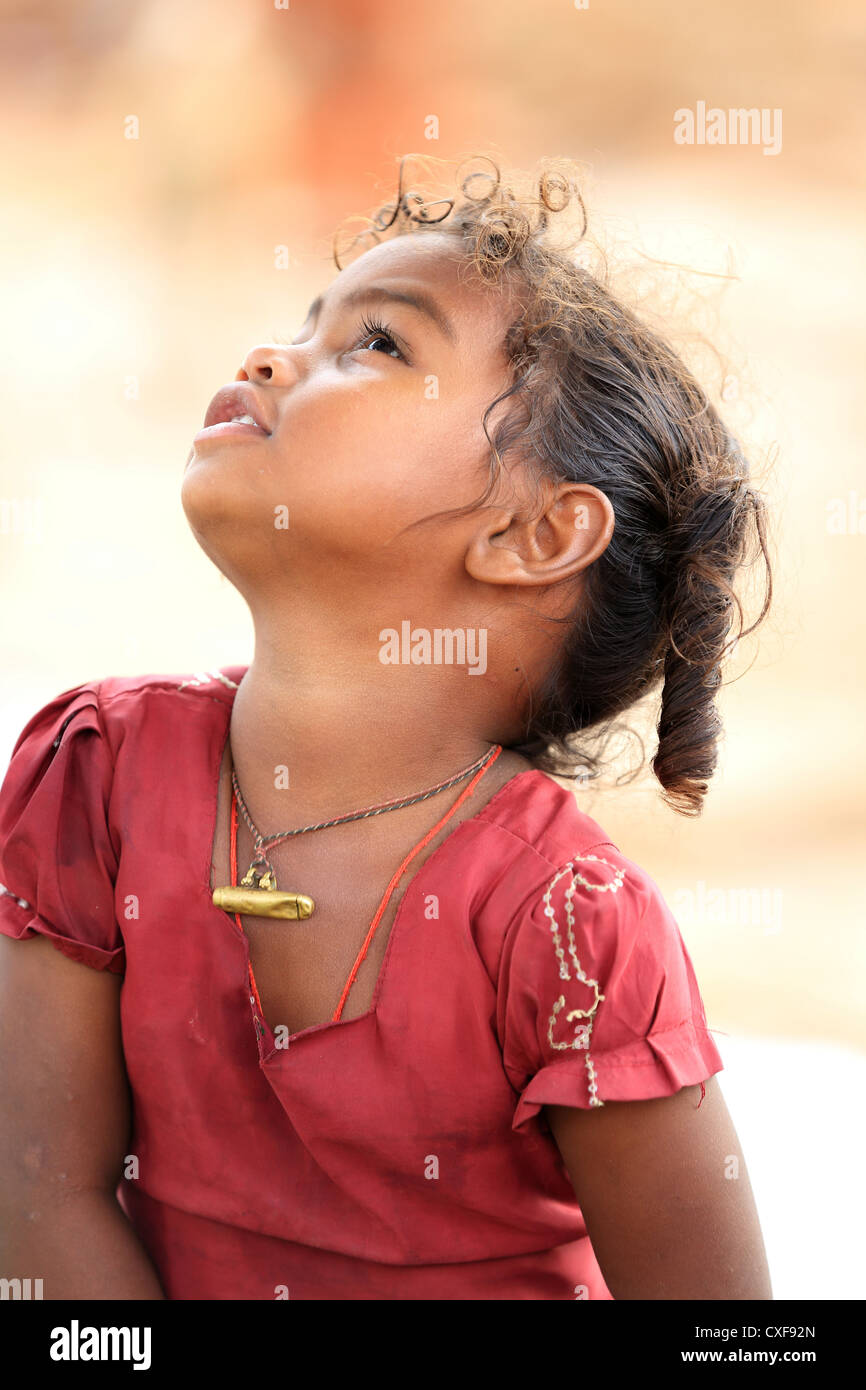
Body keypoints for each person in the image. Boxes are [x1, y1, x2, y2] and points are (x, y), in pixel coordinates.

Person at [0, 156, 773, 1300]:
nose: (267, 357)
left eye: (376, 345)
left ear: (534, 536)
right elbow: (34, 1197)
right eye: (308, 325)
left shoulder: (564, 928)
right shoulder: (98, 776)